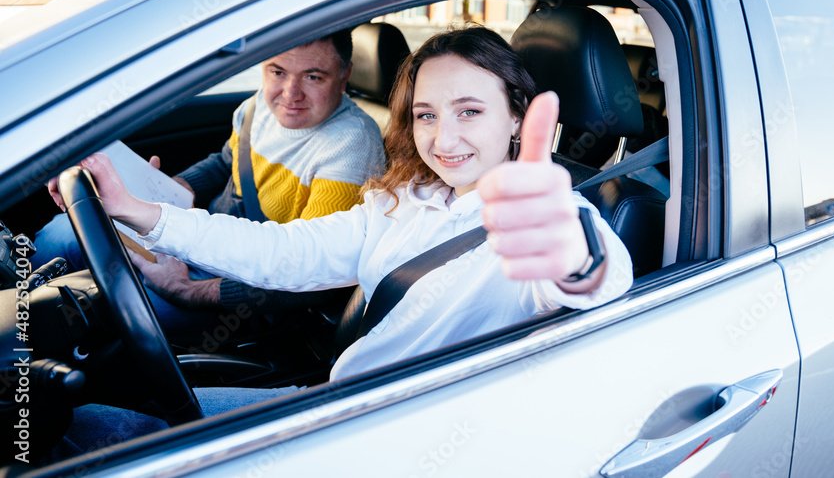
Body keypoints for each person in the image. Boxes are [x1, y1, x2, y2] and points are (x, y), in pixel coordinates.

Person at [49, 26, 633, 447]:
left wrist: (575, 257)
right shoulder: (406, 199)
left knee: (100, 438)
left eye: (470, 111)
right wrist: (140, 211)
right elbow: (282, 251)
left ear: (516, 117)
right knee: (81, 416)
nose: (443, 137)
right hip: (332, 402)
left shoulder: (542, 212)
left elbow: (596, 280)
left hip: (393, 441)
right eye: (426, 114)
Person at [36, 31, 386, 331]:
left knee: (97, 318)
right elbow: (226, 162)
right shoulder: (260, 107)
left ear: (344, 76)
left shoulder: (352, 146)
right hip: (202, 240)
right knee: (63, 232)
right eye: (277, 71)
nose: (290, 94)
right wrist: (173, 189)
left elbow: (306, 275)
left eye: (313, 77)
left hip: (247, 291)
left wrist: (187, 289)